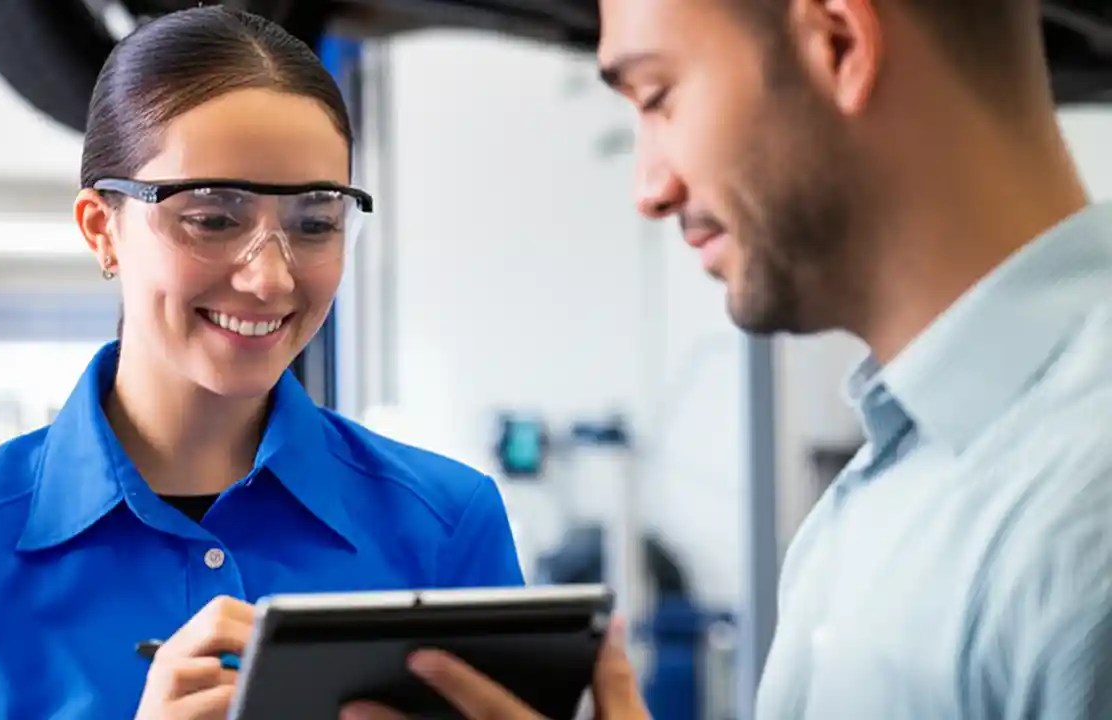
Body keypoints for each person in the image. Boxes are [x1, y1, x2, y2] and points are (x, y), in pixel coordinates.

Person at [342, 0, 1112, 718]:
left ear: (838, 45)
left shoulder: (1082, 514)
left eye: (657, 95)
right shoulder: (883, 496)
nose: (650, 187)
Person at [0, 7, 524, 719]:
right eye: (212, 218)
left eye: (316, 222)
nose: (270, 278)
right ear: (101, 231)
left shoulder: (447, 525)